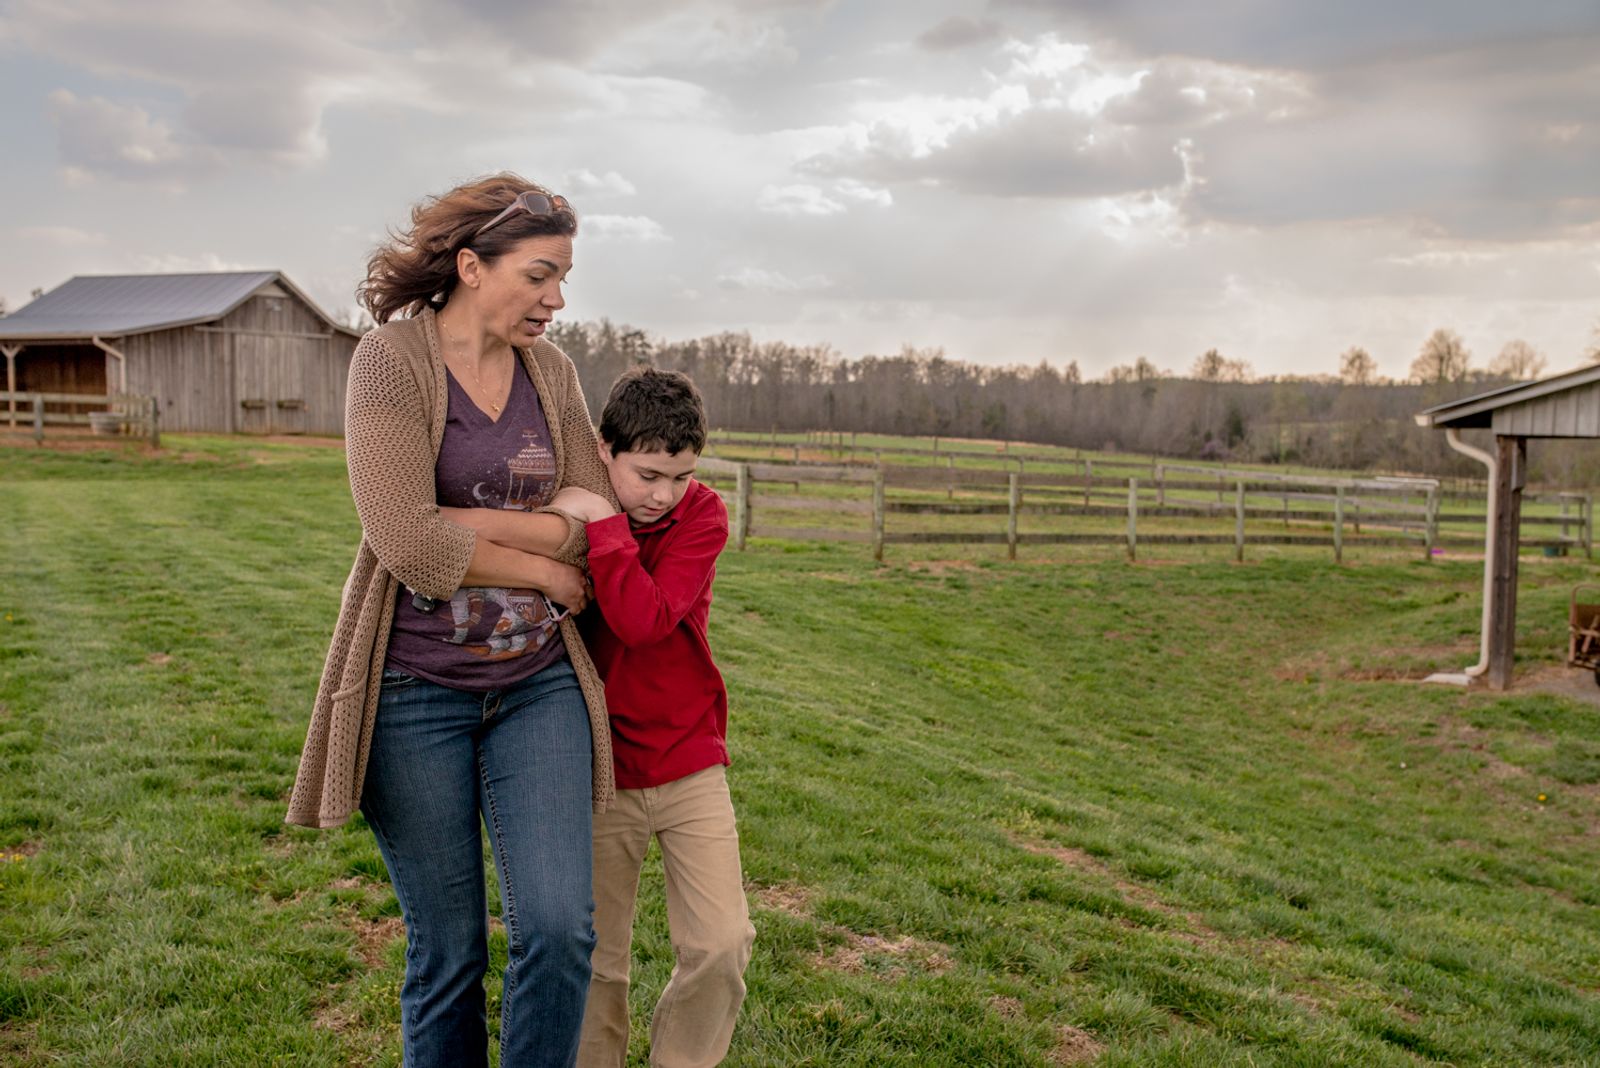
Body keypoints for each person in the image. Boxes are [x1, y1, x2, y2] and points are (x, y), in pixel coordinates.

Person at [285, 173, 619, 1068]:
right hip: (411, 695)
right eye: (541, 274)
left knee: (557, 929)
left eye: (564, 276)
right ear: (473, 266)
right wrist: (548, 564)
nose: (557, 298)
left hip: (537, 687)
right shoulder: (391, 361)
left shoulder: (552, 372)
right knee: (450, 952)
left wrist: (479, 528)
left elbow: (600, 521)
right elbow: (403, 539)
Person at [533, 367, 755, 1067]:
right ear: (606, 449)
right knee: (600, 958)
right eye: (650, 474)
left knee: (722, 943)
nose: (665, 495)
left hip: (690, 758)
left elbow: (644, 619)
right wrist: (592, 518)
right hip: (599, 764)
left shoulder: (703, 515)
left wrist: (604, 525)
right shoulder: (570, 508)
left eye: (681, 476)